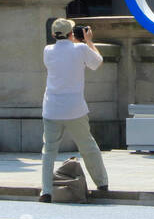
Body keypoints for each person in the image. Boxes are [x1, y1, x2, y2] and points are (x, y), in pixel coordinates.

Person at [40, 17, 109, 202]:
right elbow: (98, 62)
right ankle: (102, 182)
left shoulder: (48, 51)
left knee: (49, 151)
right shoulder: (80, 49)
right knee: (87, 146)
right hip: (74, 108)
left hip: (52, 108)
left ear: (53, 34)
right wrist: (89, 41)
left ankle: (46, 191)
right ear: (71, 33)